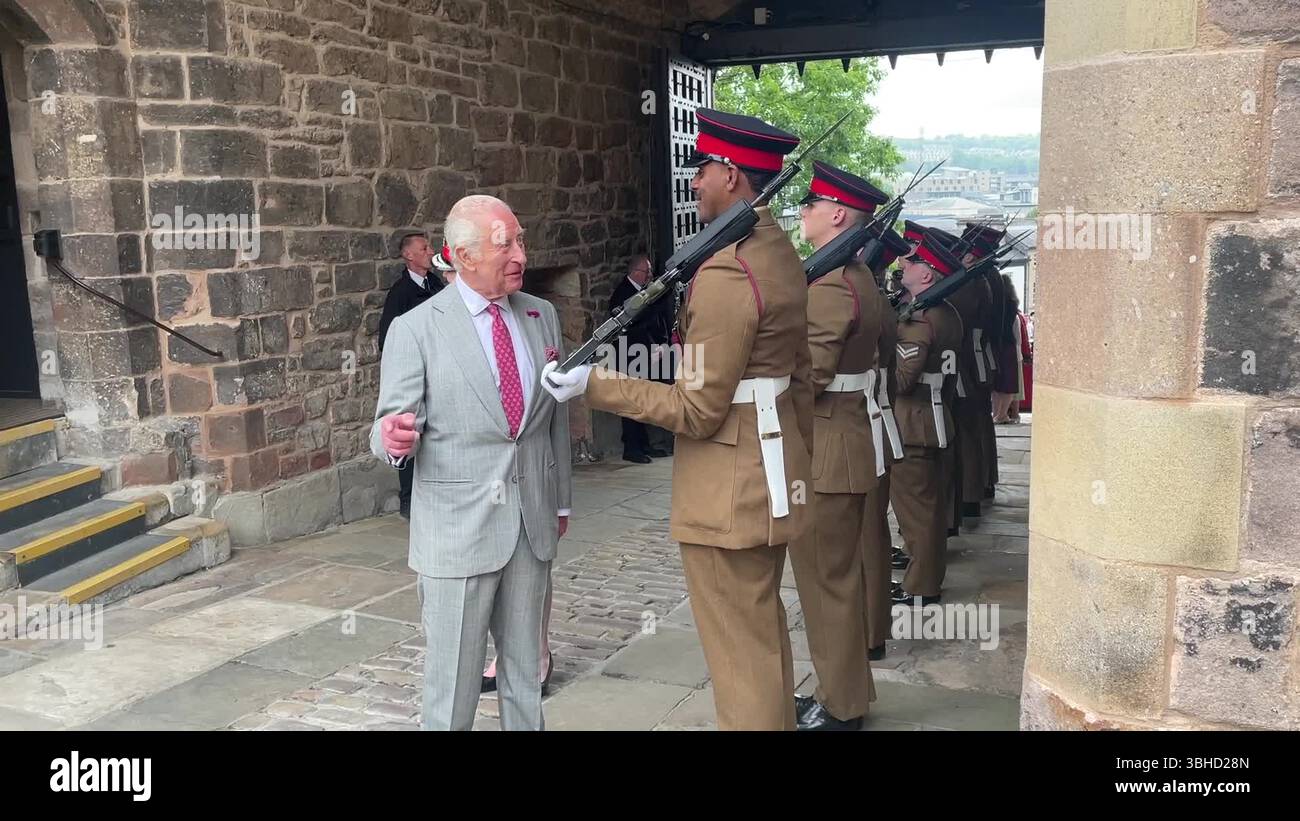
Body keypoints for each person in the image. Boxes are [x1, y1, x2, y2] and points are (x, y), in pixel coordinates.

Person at [541, 108, 813, 731]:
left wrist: (594, 384)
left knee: (739, 657)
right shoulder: (776, 250)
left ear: (734, 175)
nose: (695, 182)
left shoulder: (726, 271)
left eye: (705, 169)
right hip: (770, 472)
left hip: (731, 488)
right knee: (763, 637)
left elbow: (696, 409)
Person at [371, 194, 572, 731]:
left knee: (525, 678)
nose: (520, 256)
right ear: (461, 255)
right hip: (457, 533)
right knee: (453, 688)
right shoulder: (415, 329)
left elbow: (552, 420)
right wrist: (393, 439)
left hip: (531, 526)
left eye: (521, 240)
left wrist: (562, 500)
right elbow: (389, 423)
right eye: (505, 244)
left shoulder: (541, 315)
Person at [787, 160, 890, 731]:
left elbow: (813, 375)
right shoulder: (858, 277)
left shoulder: (830, 288)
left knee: (827, 586)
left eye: (809, 205)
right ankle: (849, 692)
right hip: (848, 442)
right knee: (839, 580)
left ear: (836, 214)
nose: (802, 213)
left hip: (828, 450)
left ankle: (840, 705)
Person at [889, 230, 963, 607]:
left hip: (912, 425)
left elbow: (901, 380)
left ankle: (920, 585)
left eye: (913, 261)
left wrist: (881, 342)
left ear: (928, 275)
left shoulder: (920, 320)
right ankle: (926, 578)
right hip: (934, 417)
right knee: (928, 509)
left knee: (917, 513)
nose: (904, 263)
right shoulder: (947, 313)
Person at [377, 232, 445, 519]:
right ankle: (408, 499)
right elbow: (388, 340)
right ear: (409, 256)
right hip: (416, 375)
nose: (431, 251)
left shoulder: (437, 285)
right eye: (424, 248)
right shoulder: (400, 294)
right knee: (408, 431)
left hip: (441, 371)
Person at [607, 255, 672, 463]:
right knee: (630, 401)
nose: (650, 276)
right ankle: (632, 448)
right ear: (636, 272)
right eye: (647, 272)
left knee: (642, 399)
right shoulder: (623, 293)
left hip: (644, 354)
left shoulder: (642, 291)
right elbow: (628, 325)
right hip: (629, 355)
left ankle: (643, 444)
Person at [992, 276, 1023, 423]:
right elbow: (1016, 334)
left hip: (995, 345)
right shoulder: (1012, 305)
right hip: (1009, 346)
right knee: (1009, 384)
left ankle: (996, 413)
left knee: (997, 384)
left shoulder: (994, 304)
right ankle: (1002, 414)